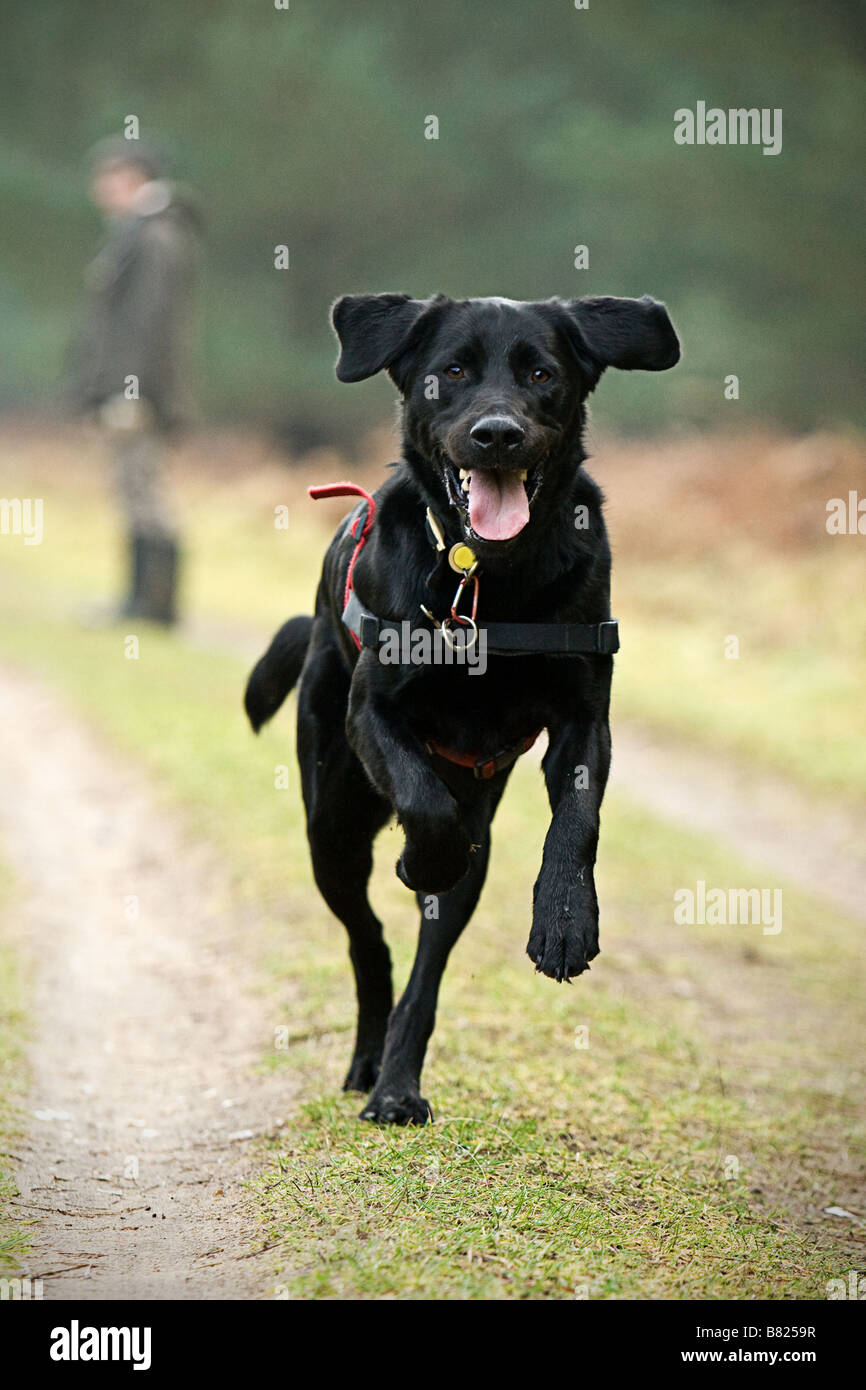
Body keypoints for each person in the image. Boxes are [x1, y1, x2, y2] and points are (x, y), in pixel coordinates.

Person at [70, 136, 200, 625]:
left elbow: (148, 327)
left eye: (108, 177)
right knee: (133, 489)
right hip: (133, 389)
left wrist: (131, 393)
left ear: (132, 178)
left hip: (140, 393)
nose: (100, 189)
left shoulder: (154, 238)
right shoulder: (139, 234)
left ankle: (154, 606)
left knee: (146, 491)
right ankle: (139, 601)